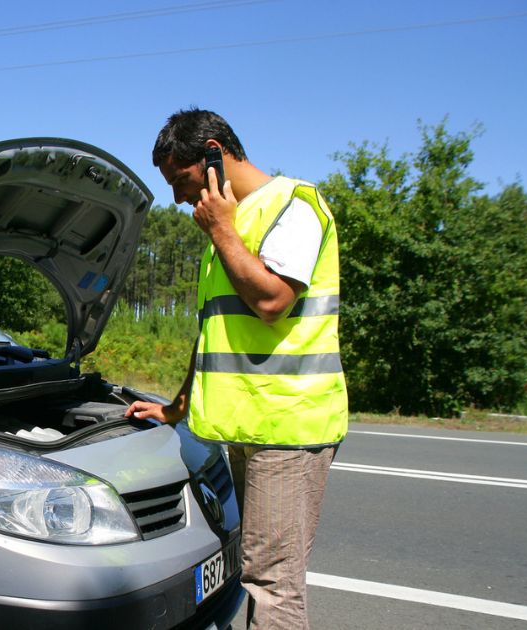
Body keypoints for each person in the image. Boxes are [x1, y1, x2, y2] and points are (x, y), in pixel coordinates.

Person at [127, 108, 347, 630]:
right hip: (250, 426)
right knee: (258, 570)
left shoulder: (292, 206)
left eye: (181, 180)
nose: (179, 198)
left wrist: (222, 230)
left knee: (272, 585)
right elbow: (214, 335)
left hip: (288, 426)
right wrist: (174, 408)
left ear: (214, 155)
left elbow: (272, 301)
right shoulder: (229, 224)